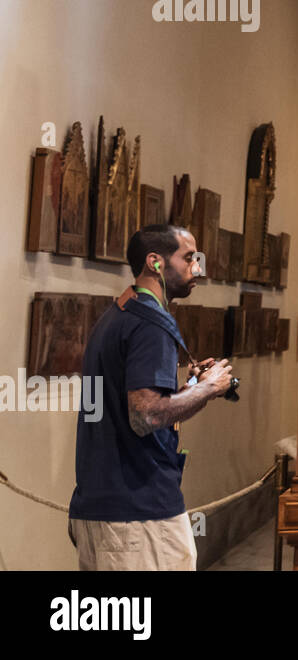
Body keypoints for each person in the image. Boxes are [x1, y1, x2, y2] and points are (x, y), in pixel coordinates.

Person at [68, 225, 233, 570]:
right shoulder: (150, 324)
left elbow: (131, 407)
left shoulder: (120, 313)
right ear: (156, 262)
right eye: (189, 258)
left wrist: (188, 390)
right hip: (137, 513)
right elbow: (146, 417)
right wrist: (209, 387)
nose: (197, 269)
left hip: (103, 504)